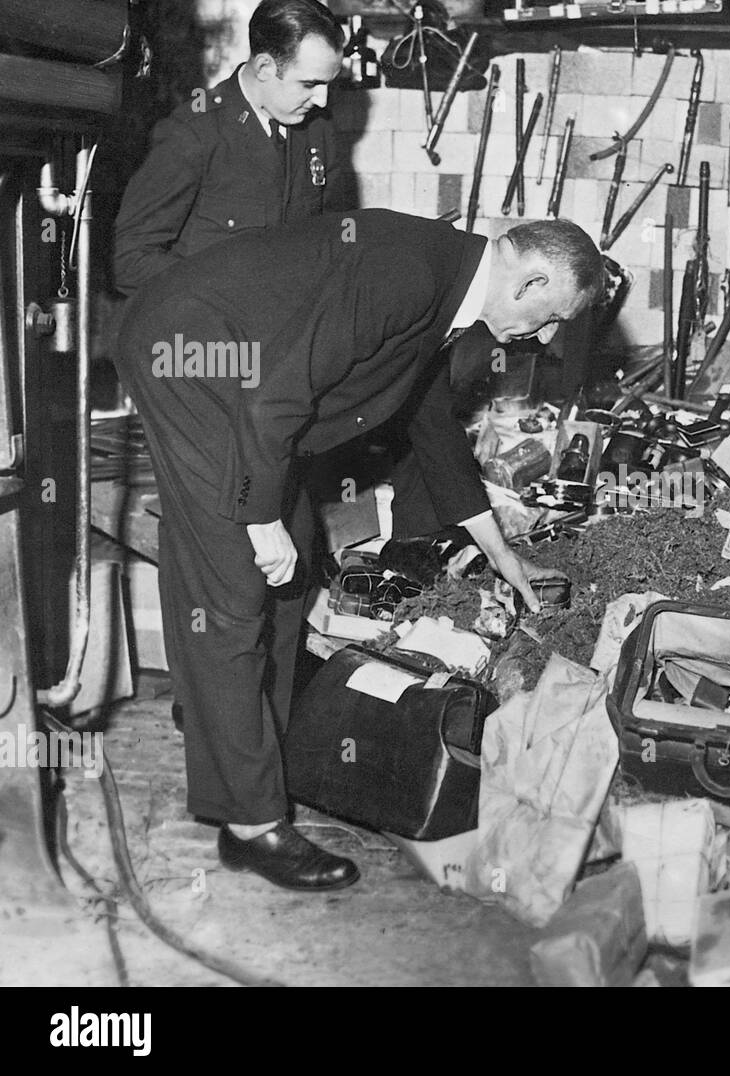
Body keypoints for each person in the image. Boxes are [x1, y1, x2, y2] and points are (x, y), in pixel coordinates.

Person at [114, 210, 604, 891]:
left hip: (252, 383)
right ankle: (250, 825)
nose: (547, 337)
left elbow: (431, 425)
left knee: (291, 576)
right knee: (231, 586)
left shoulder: (451, 285)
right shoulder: (408, 273)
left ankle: (259, 757)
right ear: (533, 279)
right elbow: (274, 399)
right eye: (554, 317)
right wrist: (258, 522)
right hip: (193, 361)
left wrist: (502, 554)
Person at [114, 0, 348, 296]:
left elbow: (332, 233)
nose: (323, 100)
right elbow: (130, 262)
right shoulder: (193, 133)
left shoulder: (319, 129)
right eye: (309, 84)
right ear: (264, 67)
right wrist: (223, 290)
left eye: (328, 84)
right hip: (211, 330)